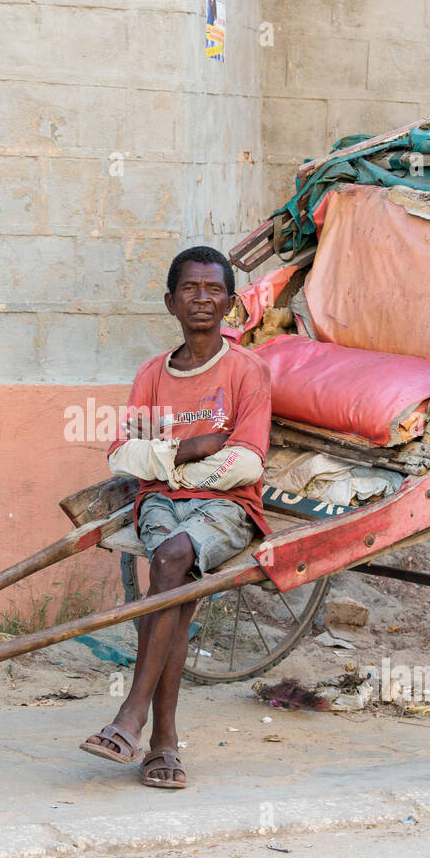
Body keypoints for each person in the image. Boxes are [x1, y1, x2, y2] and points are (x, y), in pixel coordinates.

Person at [80, 245, 272, 789]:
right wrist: (187, 451)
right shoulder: (152, 375)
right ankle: (161, 741)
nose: (202, 299)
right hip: (160, 501)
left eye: (214, 289)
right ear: (171, 302)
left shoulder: (246, 372)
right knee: (173, 578)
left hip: (228, 506)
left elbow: (246, 461)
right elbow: (123, 454)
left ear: (231, 302)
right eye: (190, 288)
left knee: (170, 562)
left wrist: (171, 464)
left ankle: (134, 720)